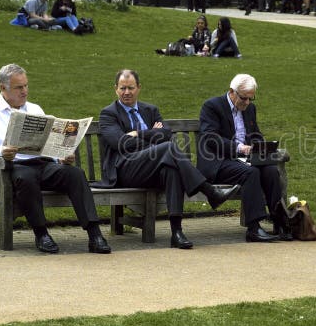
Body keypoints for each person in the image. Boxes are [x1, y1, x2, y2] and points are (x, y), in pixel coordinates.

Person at [0, 63, 111, 254]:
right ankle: (41, 234)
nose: (24, 91)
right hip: (10, 167)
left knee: (75, 174)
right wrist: (2, 150)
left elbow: (46, 144)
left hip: (42, 165)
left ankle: (95, 234)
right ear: (3, 87)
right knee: (26, 177)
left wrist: (60, 156)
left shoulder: (35, 109)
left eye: (26, 86)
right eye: (19, 87)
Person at [98, 69, 239, 249]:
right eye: (122, 88)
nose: (127, 92)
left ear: (139, 88)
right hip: (126, 169)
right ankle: (209, 191)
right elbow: (121, 143)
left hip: (154, 165)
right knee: (168, 149)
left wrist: (139, 133)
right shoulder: (108, 114)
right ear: (115, 89)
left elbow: (165, 133)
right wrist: (153, 136)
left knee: (171, 169)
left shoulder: (150, 110)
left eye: (131, 88)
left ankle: (177, 232)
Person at [197, 73, 288, 242]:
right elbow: (210, 138)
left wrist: (260, 145)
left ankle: (279, 222)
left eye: (250, 99)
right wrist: (239, 148)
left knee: (270, 171)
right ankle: (253, 229)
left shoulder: (249, 108)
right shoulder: (212, 106)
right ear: (232, 92)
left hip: (243, 160)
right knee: (251, 173)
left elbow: (255, 134)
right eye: (244, 98)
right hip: (218, 161)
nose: (247, 103)